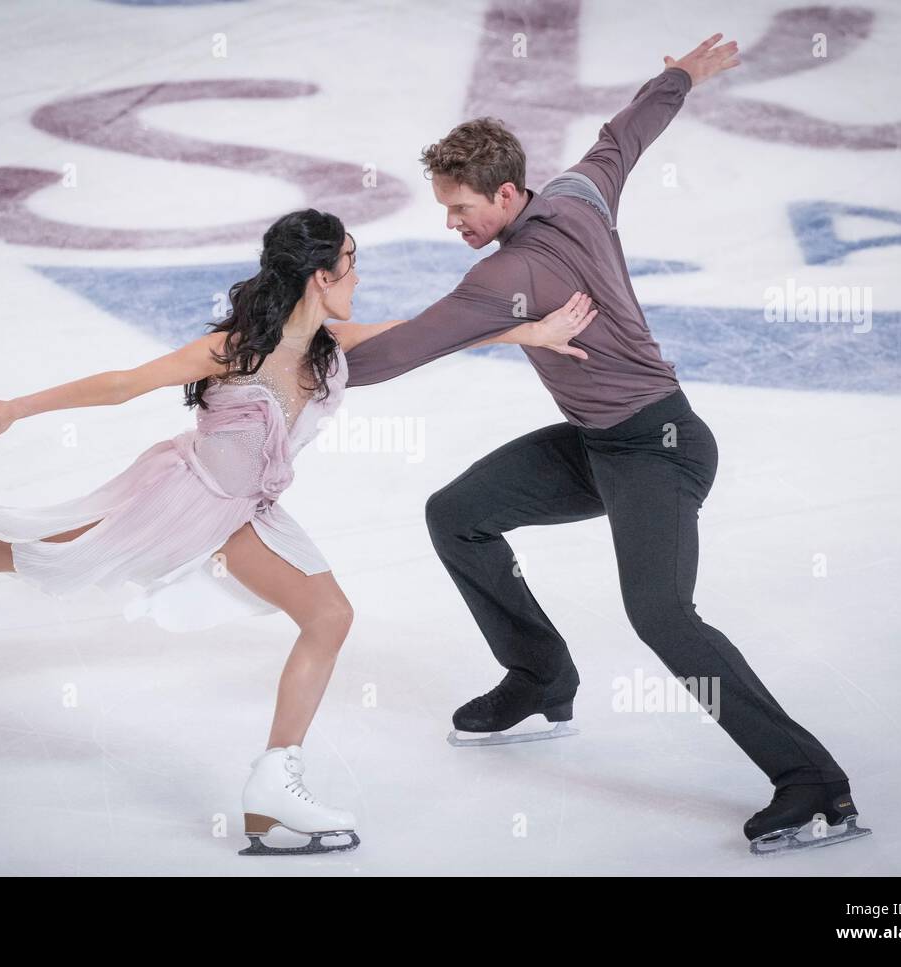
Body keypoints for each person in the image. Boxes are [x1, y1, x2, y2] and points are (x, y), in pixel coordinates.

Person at [0, 208, 592, 856]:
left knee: (327, 614)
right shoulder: (239, 349)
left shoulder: (331, 348)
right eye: (351, 266)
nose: (359, 278)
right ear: (317, 279)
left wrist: (528, 332)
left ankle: (273, 786)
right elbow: (124, 384)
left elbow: (427, 335)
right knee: (51, 548)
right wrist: (15, 407)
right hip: (182, 494)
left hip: (243, 513)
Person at [341, 35, 871, 854]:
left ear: (508, 191)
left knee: (660, 613)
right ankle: (541, 673)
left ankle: (811, 781)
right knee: (458, 514)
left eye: (460, 208)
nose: (451, 223)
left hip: (659, 448)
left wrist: (298, 371)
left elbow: (401, 350)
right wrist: (680, 75)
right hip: (598, 443)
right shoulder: (581, 191)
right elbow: (626, 133)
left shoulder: (504, 279)